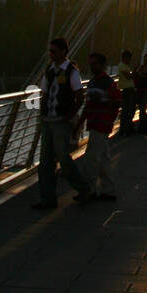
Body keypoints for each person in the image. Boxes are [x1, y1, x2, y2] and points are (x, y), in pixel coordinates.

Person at [33, 36, 90, 209]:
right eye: (49, 51)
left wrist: (69, 116)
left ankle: (83, 189)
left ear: (63, 52)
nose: (50, 54)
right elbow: (44, 93)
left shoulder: (72, 72)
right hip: (47, 121)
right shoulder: (49, 70)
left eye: (53, 51)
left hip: (61, 122)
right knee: (45, 163)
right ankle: (48, 199)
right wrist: (42, 114)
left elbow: (80, 96)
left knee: (64, 160)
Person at [80, 52, 122, 200]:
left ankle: (89, 190)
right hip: (93, 123)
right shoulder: (92, 83)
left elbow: (118, 100)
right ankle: (109, 190)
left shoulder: (108, 83)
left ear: (102, 65)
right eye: (90, 64)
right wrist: (79, 123)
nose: (92, 67)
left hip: (102, 124)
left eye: (95, 64)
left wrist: (103, 101)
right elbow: (88, 105)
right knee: (103, 159)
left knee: (91, 158)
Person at [117, 50, 137, 137]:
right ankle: (124, 129)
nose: (130, 60)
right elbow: (129, 77)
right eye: (129, 58)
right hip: (126, 91)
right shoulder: (122, 66)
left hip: (130, 90)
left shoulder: (125, 66)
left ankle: (127, 128)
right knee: (127, 110)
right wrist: (135, 71)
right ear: (125, 58)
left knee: (130, 110)